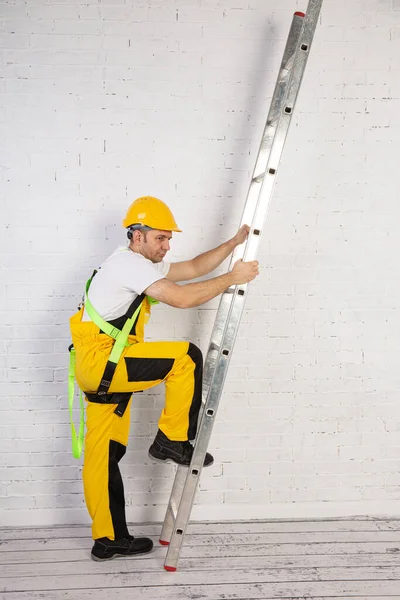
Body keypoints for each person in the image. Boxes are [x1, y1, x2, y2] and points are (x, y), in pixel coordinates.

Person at [69, 195, 259, 561]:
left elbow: (190, 268)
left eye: (169, 238)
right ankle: (172, 440)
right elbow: (183, 299)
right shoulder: (130, 266)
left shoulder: (128, 264)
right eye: (160, 238)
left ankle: (109, 539)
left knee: (102, 455)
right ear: (137, 235)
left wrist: (232, 244)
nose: (167, 245)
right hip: (107, 361)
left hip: (96, 367)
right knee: (186, 356)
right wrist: (233, 278)